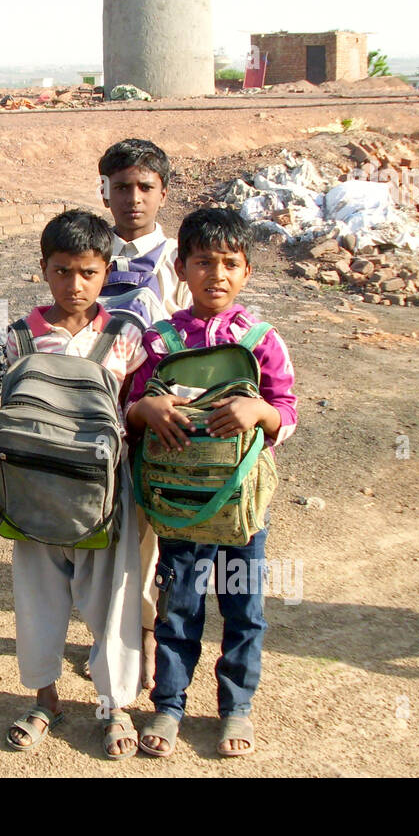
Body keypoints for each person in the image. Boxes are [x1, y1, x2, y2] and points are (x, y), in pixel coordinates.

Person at [126, 206, 298, 758]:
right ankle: (169, 705)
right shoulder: (159, 340)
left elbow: (288, 412)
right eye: (203, 262)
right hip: (179, 504)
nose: (216, 274)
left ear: (247, 272)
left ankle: (235, 708)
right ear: (180, 267)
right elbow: (130, 407)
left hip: (242, 506)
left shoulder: (262, 339)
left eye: (230, 263)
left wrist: (259, 412)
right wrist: (148, 406)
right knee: (180, 604)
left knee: (244, 607)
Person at [4, 209, 146, 759]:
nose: (75, 284)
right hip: (35, 491)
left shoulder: (126, 335)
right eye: (62, 271)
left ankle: (115, 705)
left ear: (106, 271)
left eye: (88, 272)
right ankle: (46, 699)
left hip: (106, 494)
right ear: (43, 269)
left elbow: (134, 409)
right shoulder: (21, 336)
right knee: (37, 597)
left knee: (114, 599)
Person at [98, 137, 193, 691]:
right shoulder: (91, 254)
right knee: (101, 528)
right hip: (98, 417)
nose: (133, 198)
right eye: (122, 187)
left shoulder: (181, 260)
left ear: (163, 192)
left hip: (159, 419)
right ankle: (103, 633)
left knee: (152, 534)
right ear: (105, 192)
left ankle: (148, 637)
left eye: (145, 187)